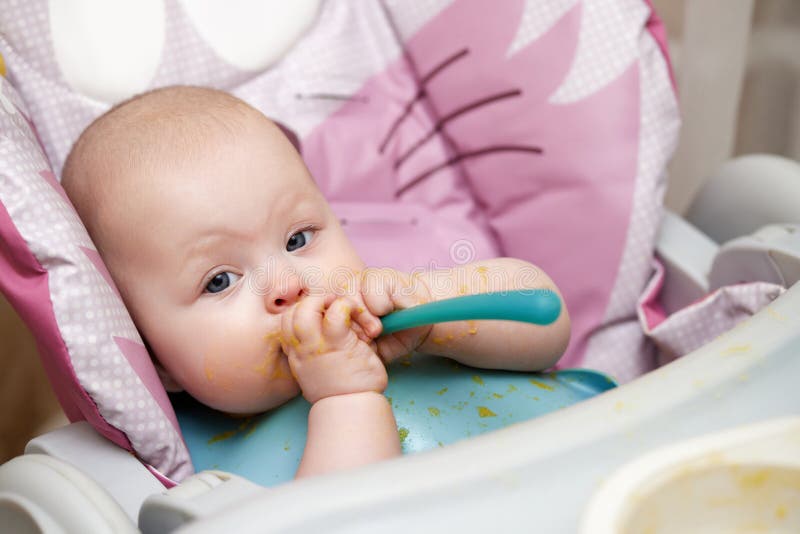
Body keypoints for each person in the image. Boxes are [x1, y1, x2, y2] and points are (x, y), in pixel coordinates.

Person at [61, 86, 570, 478]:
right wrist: (344, 400)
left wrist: (437, 313)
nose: (288, 284)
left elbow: (545, 312)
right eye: (219, 281)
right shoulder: (204, 479)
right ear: (159, 364)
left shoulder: (401, 318)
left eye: (299, 239)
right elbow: (344, 517)